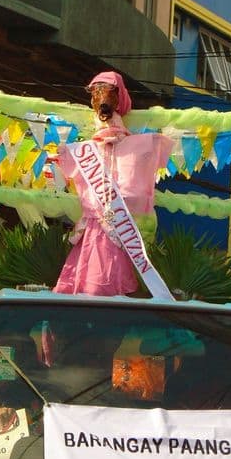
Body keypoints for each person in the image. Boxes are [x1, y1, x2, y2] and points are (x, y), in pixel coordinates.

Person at [53, 71, 173, 297]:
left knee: (101, 284)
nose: (102, 99)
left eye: (108, 92)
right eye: (96, 92)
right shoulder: (86, 149)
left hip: (117, 227)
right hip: (92, 229)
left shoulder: (137, 145)